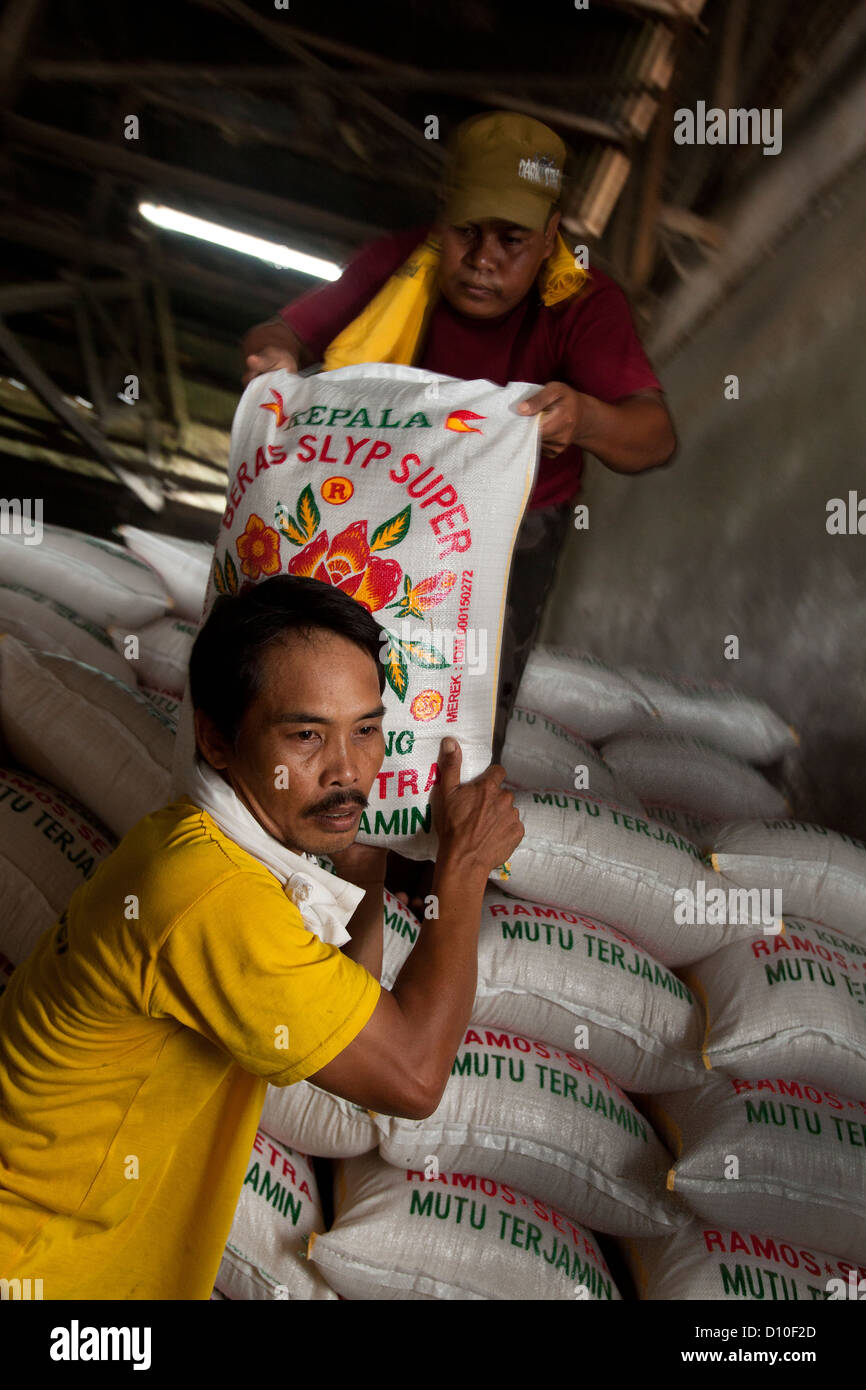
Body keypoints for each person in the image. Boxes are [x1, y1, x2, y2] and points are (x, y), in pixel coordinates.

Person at [0, 575, 523, 1299]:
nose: (347, 770)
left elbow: (348, 1000)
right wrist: (461, 871)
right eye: (306, 735)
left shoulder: (200, 848)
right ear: (217, 737)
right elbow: (412, 1075)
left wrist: (365, 856)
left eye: (366, 730)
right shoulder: (214, 899)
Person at [242, 110, 675, 909]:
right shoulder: (397, 265)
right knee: (323, 677)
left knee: (454, 712)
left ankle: (411, 892)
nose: (481, 261)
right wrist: (274, 361)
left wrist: (585, 417)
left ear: (550, 238)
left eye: (510, 240)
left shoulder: (584, 306)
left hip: (511, 540)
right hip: (374, 518)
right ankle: (292, 843)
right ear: (441, 223)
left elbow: (654, 435)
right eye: (465, 233)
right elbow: (283, 329)